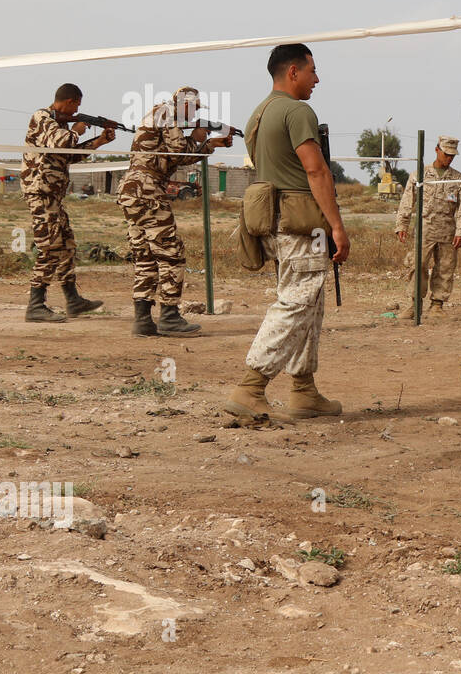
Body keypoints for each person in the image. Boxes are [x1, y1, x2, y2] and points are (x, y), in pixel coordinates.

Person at [224, 44, 348, 421]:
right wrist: (338, 227)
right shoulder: (297, 111)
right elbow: (316, 171)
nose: (317, 79)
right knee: (297, 301)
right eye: (312, 71)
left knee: (310, 303)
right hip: (300, 224)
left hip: (272, 221)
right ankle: (251, 386)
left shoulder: (258, 115)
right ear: (293, 71)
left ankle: (303, 389)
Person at [118, 86, 234, 337]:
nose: (193, 117)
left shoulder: (164, 116)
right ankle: (169, 315)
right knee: (171, 251)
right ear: (185, 104)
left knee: (146, 255)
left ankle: (143, 319)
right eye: (193, 110)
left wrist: (207, 144)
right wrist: (201, 139)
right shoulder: (166, 113)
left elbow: (174, 156)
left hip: (135, 190)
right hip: (146, 189)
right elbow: (178, 152)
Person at [20, 83, 119, 323]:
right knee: (50, 246)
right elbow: (61, 141)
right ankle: (35, 304)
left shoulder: (61, 126)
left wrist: (99, 141)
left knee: (66, 244)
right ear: (71, 101)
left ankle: (72, 299)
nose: (77, 109)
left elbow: (69, 154)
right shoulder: (42, 117)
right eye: (77, 105)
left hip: (53, 195)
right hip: (41, 193)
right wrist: (77, 129)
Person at [395, 136, 461, 314]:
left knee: (445, 268)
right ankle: (415, 304)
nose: (449, 158)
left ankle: (437, 304)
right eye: (446, 154)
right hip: (424, 230)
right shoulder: (419, 175)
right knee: (418, 265)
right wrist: (402, 225)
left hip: (448, 232)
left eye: (453, 155)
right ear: (437, 150)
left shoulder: (459, 180)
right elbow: (407, 201)